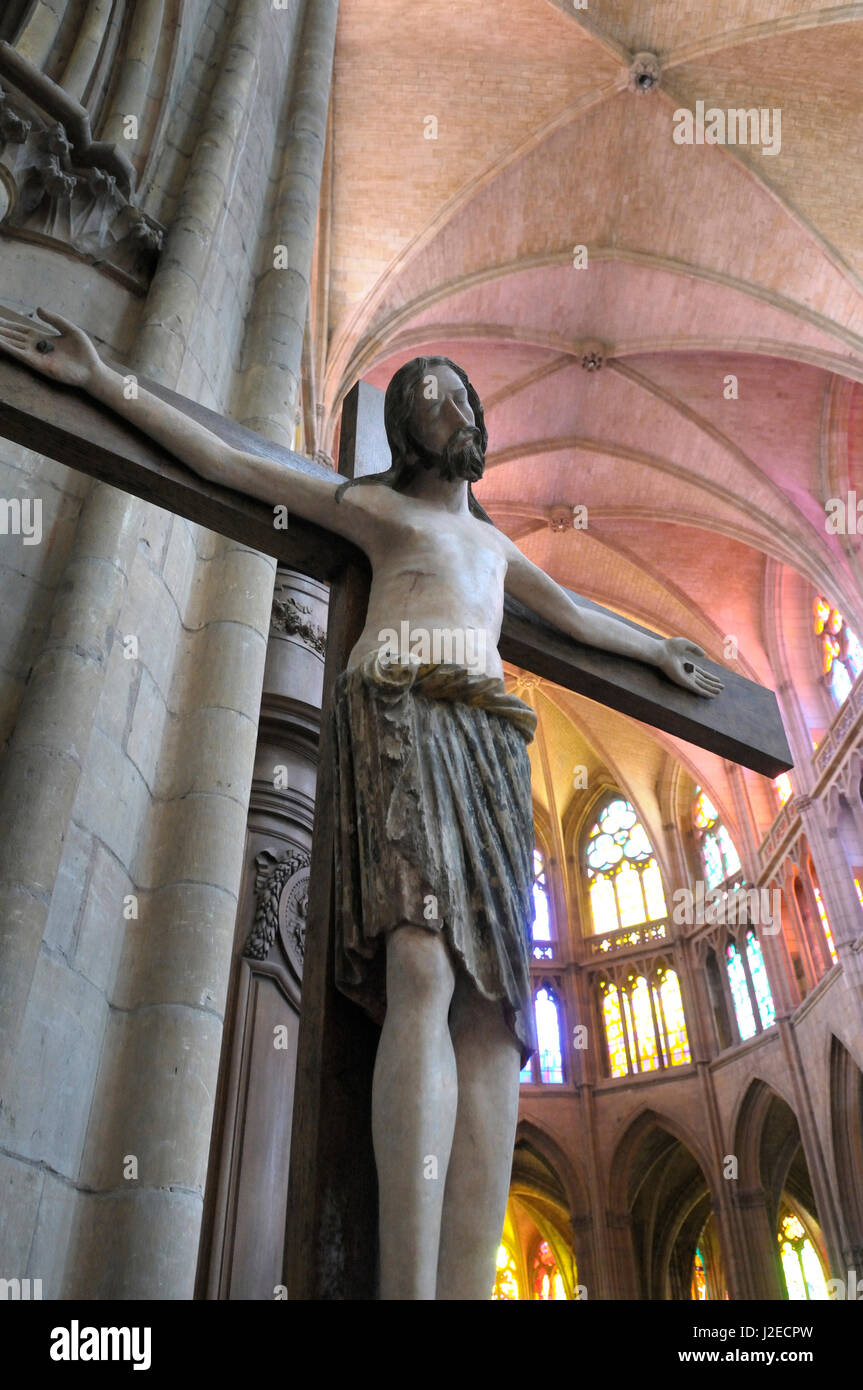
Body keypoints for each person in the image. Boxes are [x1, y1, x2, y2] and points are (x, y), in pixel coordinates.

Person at [0, 309, 722, 1298]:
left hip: (488, 749)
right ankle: (404, 1286)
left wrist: (656, 650)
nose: (451, 405)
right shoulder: (381, 513)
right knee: (418, 967)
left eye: (460, 394)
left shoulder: (493, 551)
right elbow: (229, 459)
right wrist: (99, 379)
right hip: (402, 716)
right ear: (405, 432)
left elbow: (579, 619)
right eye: (429, 397)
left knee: (494, 1018)